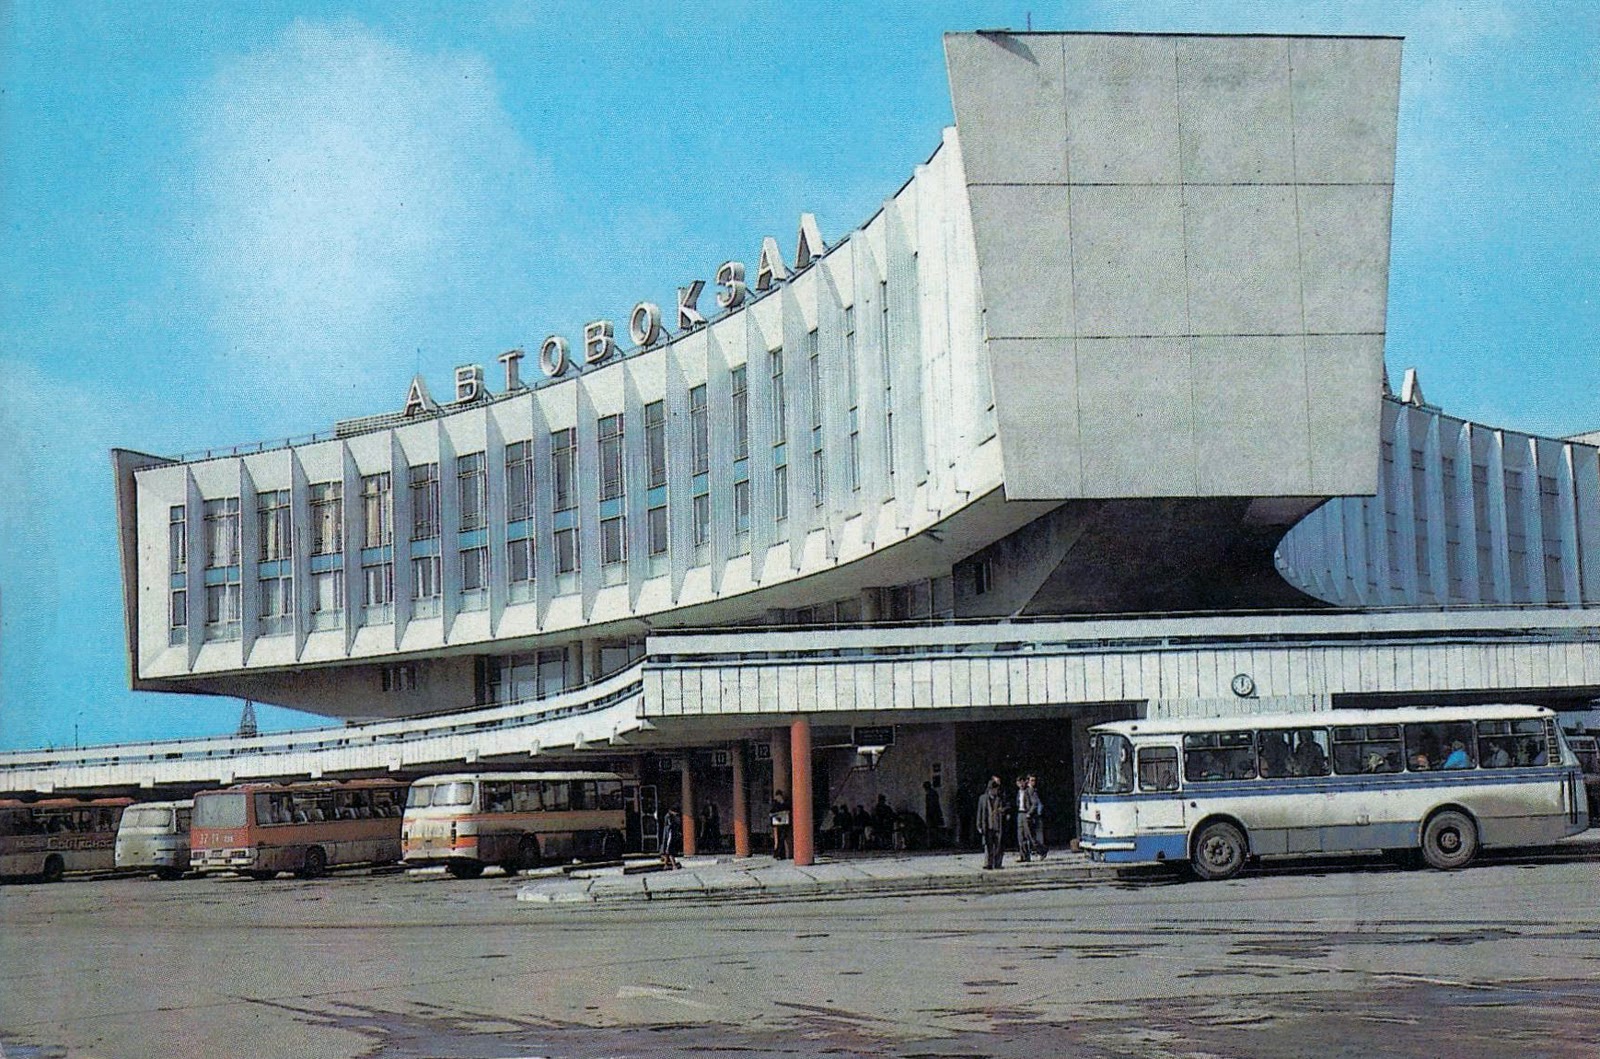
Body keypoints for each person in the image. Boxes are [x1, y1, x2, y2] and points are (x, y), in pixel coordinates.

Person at [976, 777, 1006, 870]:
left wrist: (1003, 810)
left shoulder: (1000, 798)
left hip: (997, 825)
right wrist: (979, 825)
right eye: (993, 789)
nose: (995, 791)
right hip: (988, 825)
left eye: (996, 789)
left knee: (998, 845)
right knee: (988, 845)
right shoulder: (983, 799)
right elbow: (980, 812)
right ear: (989, 789)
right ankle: (988, 863)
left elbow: (1006, 807)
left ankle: (997, 863)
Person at [1026, 775, 1047, 860]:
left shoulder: (1034, 791)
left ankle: (1041, 851)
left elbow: (1036, 803)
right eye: (1032, 780)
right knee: (1032, 835)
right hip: (1033, 815)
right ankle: (1038, 850)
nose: (1033, 782)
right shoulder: (1029, 791)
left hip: (1035, 815)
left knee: (1037, 835)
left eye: (1034, 780)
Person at [1014, 776, 1034, 862]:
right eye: (1018, 783)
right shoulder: (1018, 792)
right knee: (1020, 836)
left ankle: (1028, 855)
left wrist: (1029, 813)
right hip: (1020, 813)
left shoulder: (1028, 791)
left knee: (1028, 835)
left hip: (1026, 813)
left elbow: (1034, 803)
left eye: (1021, 782)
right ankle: (1022, 855)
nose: (1020, 784)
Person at [770, 790, 792, 859]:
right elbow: (771, 813)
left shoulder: (786, 803)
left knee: (783, 838)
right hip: (778, 823)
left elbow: (788, 811)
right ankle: (779, 854)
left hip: (784, 823)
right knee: (779, 839)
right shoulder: (775, 804)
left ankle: (779, 853)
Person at [922, 781, 944, 847]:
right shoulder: (933, 793)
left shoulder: (930, 794)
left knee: (933, 829)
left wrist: (929, 815)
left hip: (933, 815)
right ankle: (935, 843)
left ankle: (934, 843)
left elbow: (931, 806)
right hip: (935, 814)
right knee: (935, 829)